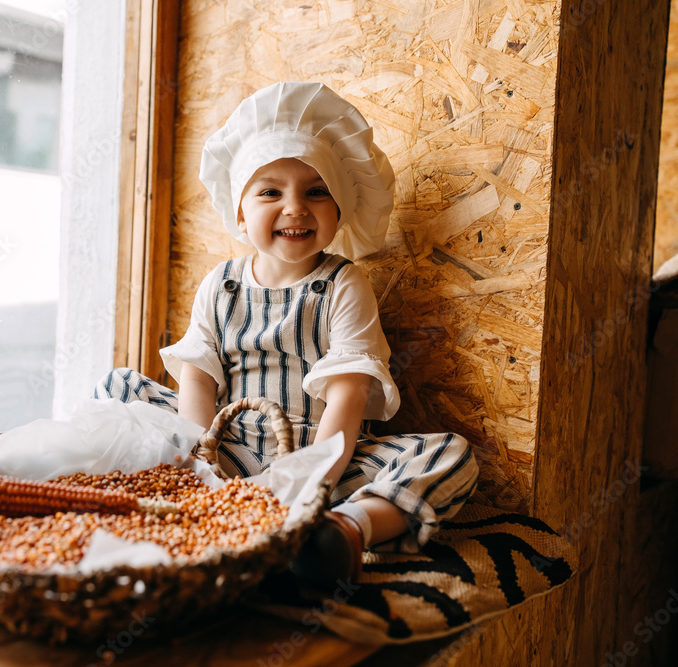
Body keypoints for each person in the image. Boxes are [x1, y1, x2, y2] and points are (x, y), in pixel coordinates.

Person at [95, 81, 478, 591]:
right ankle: (182, 498)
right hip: (227, 447)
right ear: (239, 210)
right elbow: (199, 379)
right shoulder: (220, 284)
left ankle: (343, 530)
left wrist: (307, 481)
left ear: (340, 208)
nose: (295, 207)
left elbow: (348, 393)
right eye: (271, 191)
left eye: (317, 191)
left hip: (325, 454)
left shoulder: (343, 284)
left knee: (450, 453)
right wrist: (199, 460)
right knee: (117, 388)